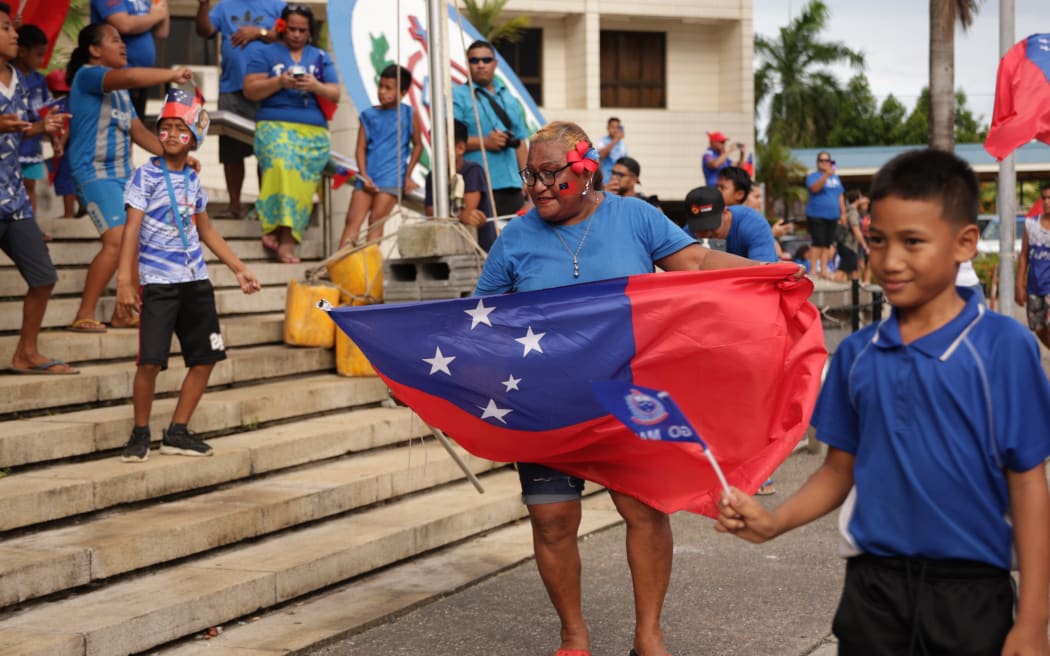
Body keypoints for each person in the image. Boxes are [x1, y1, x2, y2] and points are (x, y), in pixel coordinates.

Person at [717, 148, 1050, 656]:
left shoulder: (1004, 347)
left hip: (970, 592)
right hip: (871, 590)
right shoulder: (855, 354)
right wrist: (775, 521)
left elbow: (1028, 487)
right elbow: (838, 469)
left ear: (964, 243)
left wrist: (1032, 623)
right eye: (877, 241)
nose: (889, 261)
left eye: (912, 242)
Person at [475, 121, 770, 656]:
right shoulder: (515, 235)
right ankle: (574, 636)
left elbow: (697, 263)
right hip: (548, 405)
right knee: (553, 521)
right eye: (529, 175)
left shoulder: (635, 216)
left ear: (586, 170)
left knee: (644, 511)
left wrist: (768, 273)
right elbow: (482, 318)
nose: (536, 186)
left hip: (628, 397)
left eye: (549, 173)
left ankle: (648, 636)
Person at [116, 86, 261, 462]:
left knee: (205, 358)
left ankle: (178, 431)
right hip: (159, 283)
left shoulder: (194, 180)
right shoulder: (144, 176)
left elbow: (206, 230)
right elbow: (131, 229)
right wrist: (126, 281)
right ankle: (140, 432)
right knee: (150, 361)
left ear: (194, 138)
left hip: (195, 281)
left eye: (182, 129)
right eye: (165, 128)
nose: (172, 135)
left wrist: (239, 268)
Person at [65, 23, 195, 333]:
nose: (123, 45)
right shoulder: (89, 75)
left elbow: (138, 132)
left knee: (135, 241)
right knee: (117, 241)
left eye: (123, 40)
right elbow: (134, 75)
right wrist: (171, 75)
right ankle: (84, 313)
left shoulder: (120, 92)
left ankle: (126, 312)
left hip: (125, 177)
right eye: (114, 40)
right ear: (95, 50)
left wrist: (174, 156)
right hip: (93, 174)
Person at [0, 3, 76, 374]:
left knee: (43, 277)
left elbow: (17, 126)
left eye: (12, 27)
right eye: (5, 28)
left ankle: (26, 354)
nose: (15, 33)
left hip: (13, 200)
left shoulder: (18, 77)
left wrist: (41, 129)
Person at [243, 3, 339, 264]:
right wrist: (280, 82)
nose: (297, 35)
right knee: (282, 162)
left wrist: (315, 85)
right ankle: (275, 231)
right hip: (274, 124)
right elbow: (250, 90)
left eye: (303, 30)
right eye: (293, 29)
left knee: (303, 182)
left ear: (310, 31)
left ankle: (286, 239)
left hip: (313, 130)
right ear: (283, 27)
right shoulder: (264, 52)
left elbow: (335, 92)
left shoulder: (320, 56)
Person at [195, 0, 282, 219]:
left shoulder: (277, 5)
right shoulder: (224, 6)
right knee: (232, 152)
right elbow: (204, 30)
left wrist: (258, 32)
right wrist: (203, 6)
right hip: (231, 88)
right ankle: (234, 206)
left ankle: (265, 208)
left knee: (266, 152)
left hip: (267, 88)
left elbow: (288, 36)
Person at [339, 63, 422, 248]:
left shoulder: (409, 114)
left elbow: (418, 146)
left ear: (402, 92)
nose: (383, 92)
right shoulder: (368, 115)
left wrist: (407, 175)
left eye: (388, 88)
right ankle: (340, 267)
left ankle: (370, 271)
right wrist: (364, 174)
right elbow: (360, 148)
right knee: (352, 220)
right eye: (381, 86)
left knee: (376, 222)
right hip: (367, 177)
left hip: (392, 178)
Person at [452, 40, 529, 217]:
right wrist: (485, 142)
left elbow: (520, 142)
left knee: (513, 241)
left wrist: (527, 180)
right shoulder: (457, 95)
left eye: (486, 60)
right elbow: (450, 139)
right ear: (467, 64)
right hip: (476, 185)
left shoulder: (509, 97)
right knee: (482, 242)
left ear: (495, 63)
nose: (481, 65)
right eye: (474, 60)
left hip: (512, 185)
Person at [424, 118, 496, 252]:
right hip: (448, 246)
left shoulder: (472, 171)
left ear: (460, 148)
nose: (435, 152)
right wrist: (459, 216)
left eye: (441, 146)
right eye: (432, 146)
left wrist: (459, 216)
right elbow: (430, 212)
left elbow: (468, 211)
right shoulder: (432, 176)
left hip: (478, 247)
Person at [90, 0, 169, 119]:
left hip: (142, 77)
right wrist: (156, 16)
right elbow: (124, 25)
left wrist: (162, 9)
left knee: (135, 125)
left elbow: (162, 32)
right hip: (116, 77)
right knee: (116, 126)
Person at [685, 182, 778, 264]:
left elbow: (764, 272)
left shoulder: (754, 225)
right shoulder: (687, 234)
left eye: (712, 227)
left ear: (725, 212)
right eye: (701, 229)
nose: (708, 234)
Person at [13, 24, 51, 221]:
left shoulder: (39, 80)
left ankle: (31, 226)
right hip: (12, 145)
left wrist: (56, 140)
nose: (41, 60)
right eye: (38, 54)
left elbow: (46, 112)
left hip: (32, 145)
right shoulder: (9, 78)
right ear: (22, 51)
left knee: (30, 187)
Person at [1015, 182, 1050, 350]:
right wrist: (1019, 285)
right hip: (1035, 287)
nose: (1047, 201)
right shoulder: (1031, 224)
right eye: (1044, 198)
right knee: (1039, 328)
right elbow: (1024, 256)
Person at [804, 151, 846, 279]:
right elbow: (814, 188)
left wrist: (843, 213)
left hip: (832, 216)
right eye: (822, 160)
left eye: (827, 160)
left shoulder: (836, 178)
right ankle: (812, 270)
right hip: (816, 215)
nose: (825, 163)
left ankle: (823, 269)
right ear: (818, 163)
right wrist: (826, 176)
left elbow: (840, 196)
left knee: (827, 244)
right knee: (818, 242)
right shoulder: (813, 176)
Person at [44, 68, 79, 219]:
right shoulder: (73, 102)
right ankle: (81, 208)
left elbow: (66, 128)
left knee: (66, 180)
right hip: (75, 147)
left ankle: (68, 213)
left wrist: (59, 143)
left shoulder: (55, 106)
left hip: (67, 149)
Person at [836, 189, 869, 282]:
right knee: (843, 269)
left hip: (848, 245)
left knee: (853, 270)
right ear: (857, 199)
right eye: (861, 197)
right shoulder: (853, 211)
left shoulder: (846, 210)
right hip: (848, 245)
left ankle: (856, 290)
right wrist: (864, 245)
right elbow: (856, 229)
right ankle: (831, 288)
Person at [595, 116, 625, 184]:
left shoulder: (621, 144)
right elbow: (601, 155)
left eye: (617, 127)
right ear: (608, 128)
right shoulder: (602, 141)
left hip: (618, 180)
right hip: (606, 180)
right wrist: (615, 140)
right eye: (612, 127)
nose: (615, 130)